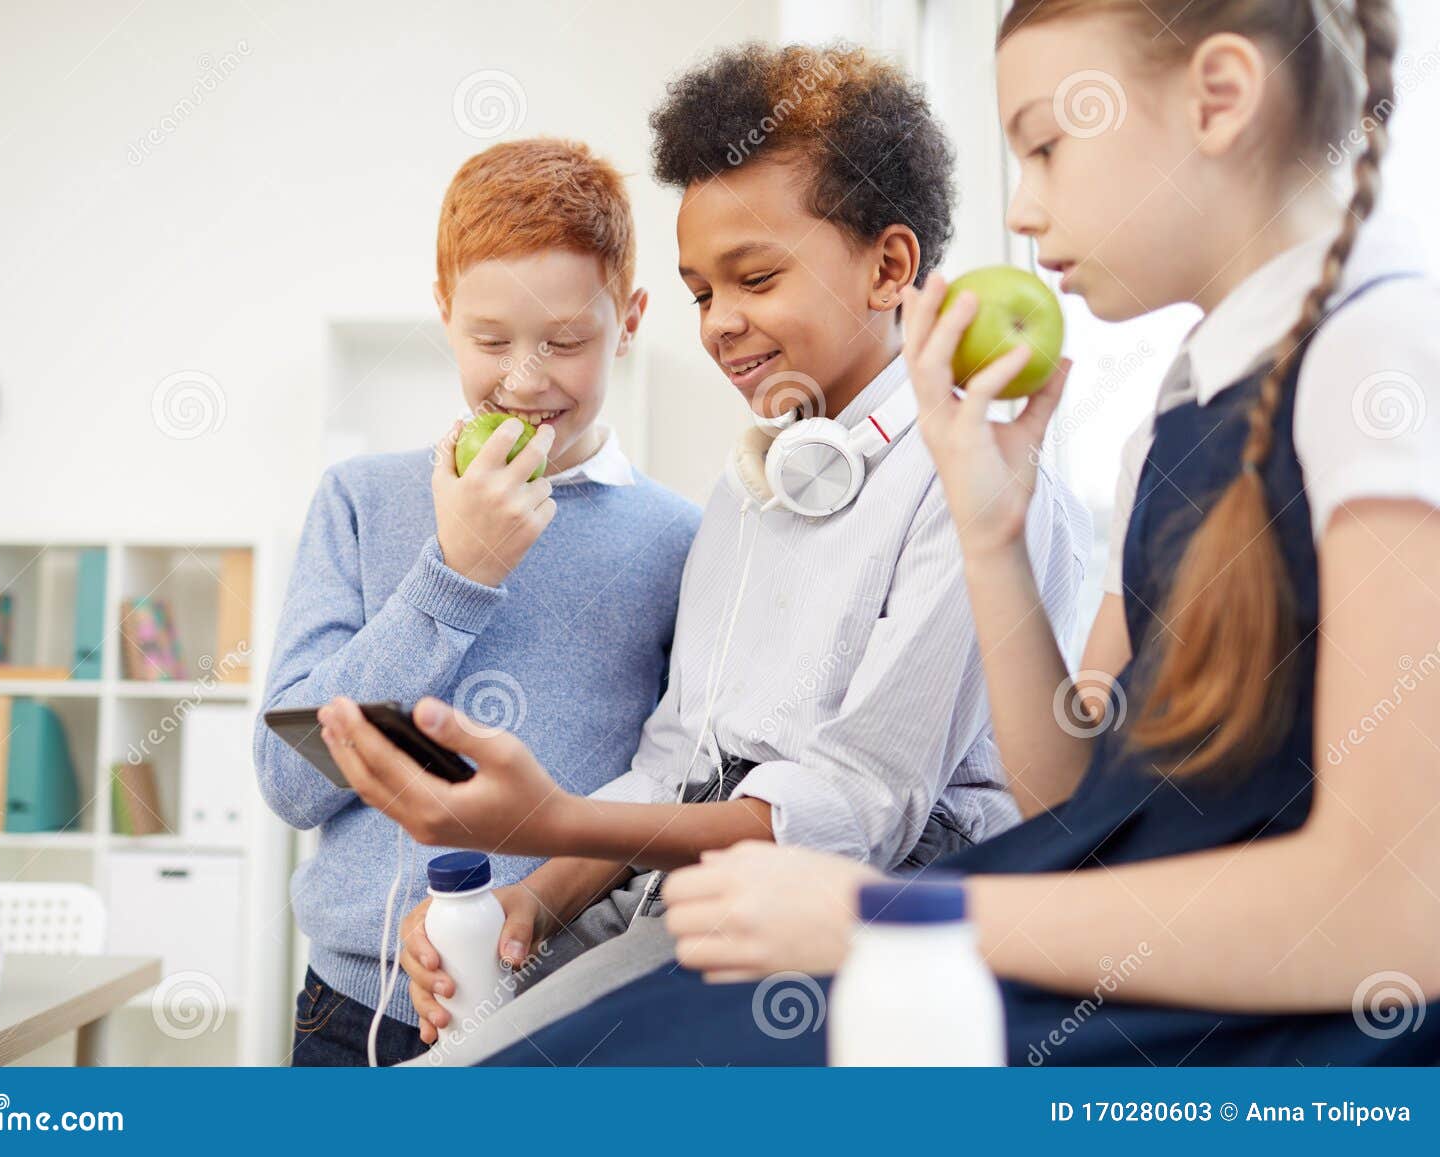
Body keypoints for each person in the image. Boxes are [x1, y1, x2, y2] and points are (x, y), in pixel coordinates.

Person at [472, 0, 1440, 1066]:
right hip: (1127, 958)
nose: (1022, 208)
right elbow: (1075, 801)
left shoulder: (1380, 347)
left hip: (1265, 1027)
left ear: (1219, 97)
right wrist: (991, 530)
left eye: (1045, 145)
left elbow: (1396, 909)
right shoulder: (1183, 401)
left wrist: (871, 916)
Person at [316, 43, 1088, 1064]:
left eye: (754, 278)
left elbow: (859, 806)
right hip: (692, 923)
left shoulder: (980, 485)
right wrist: (533, 900)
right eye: (698, 292)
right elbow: (676, 766)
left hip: (858, 956)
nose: (721, 324)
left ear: (888, 267)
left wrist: (555, 820)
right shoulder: (753, 484)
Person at [252, 138, 701, 1066]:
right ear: (445, 315)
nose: (526, 378)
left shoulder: (681, 539)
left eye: (566, 341)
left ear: (630, 321)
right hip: (351, 1014)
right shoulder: (360, 500)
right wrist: (458, 573)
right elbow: (289, 781)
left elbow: (670, 797)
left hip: (571, 1018)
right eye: (491, 341)